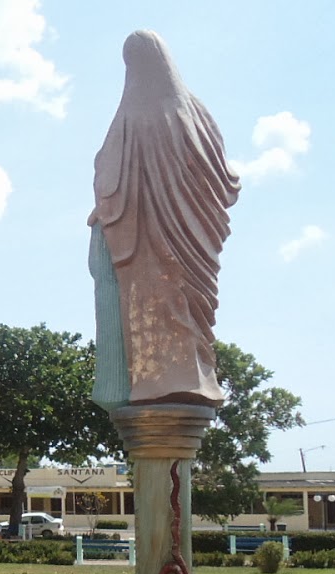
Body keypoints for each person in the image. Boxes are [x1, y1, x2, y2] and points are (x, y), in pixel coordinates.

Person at [89, 30, 240, 412]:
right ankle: (189, 377)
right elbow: (225, 180)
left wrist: (108, 209)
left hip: (146, 247)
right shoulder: (199, 116)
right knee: (181, 304)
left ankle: (162, 378)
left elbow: (109, 179)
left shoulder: (129, 118)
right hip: (193, 243)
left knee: (156, 302)